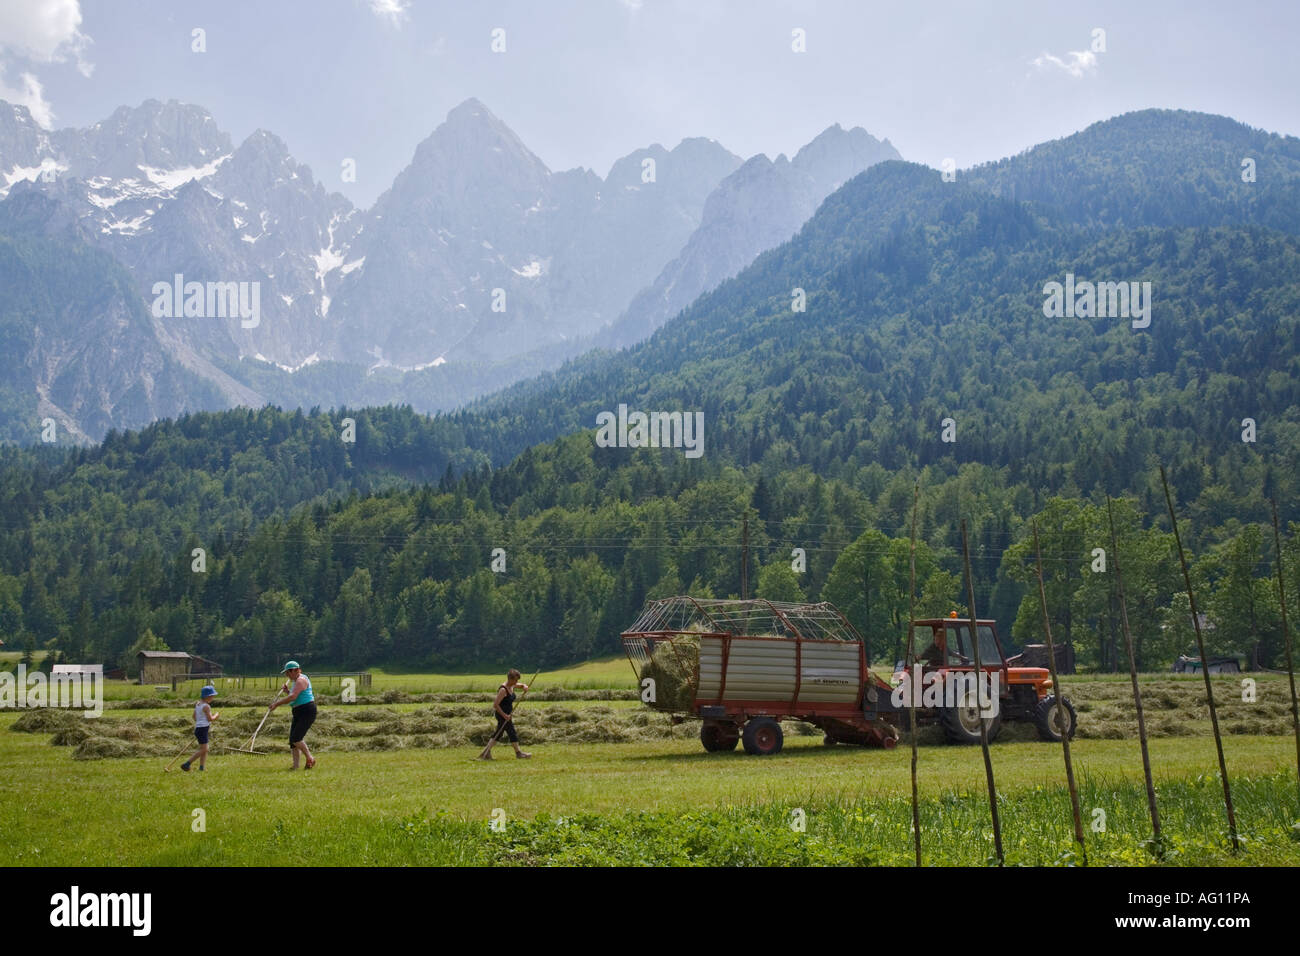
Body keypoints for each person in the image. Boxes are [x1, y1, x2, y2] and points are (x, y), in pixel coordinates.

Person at [269, 660, 316, 770]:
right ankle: (295, 766)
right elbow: (294, 694)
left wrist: (276, 704)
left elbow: (293, 697)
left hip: (307, 711)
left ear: (295, 670)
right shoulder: (295, 680)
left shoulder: (300, 680)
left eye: (288, 672)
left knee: (296, 738)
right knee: (293, 741)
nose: (287, 675)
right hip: (298, 711)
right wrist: (287, 691)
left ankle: (310, 758)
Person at [479, 669, 531, 759]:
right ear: (510, 679)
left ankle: (485, 752)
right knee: (511, 732)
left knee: (500, 734)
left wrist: (525, 687)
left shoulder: (512, 685)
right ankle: (518, 753)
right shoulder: (503, 690)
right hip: (502, 714)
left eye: (517, 680)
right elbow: (495, 705)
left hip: (507, 715)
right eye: (515, 680)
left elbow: (522, 685)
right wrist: (505, 716)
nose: (516, 682)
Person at [181, 685, 219, 772]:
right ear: (207, 696)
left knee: (204, 749)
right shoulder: (206, 706)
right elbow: (210, 719)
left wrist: (200, 722)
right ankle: (187, 764)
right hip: (202, 729)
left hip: (199, 729)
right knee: (205, 749)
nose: (213, 698)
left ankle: (201, 768)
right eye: (212, 696)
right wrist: (216, 715)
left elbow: (194, 717)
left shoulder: (198, 704)